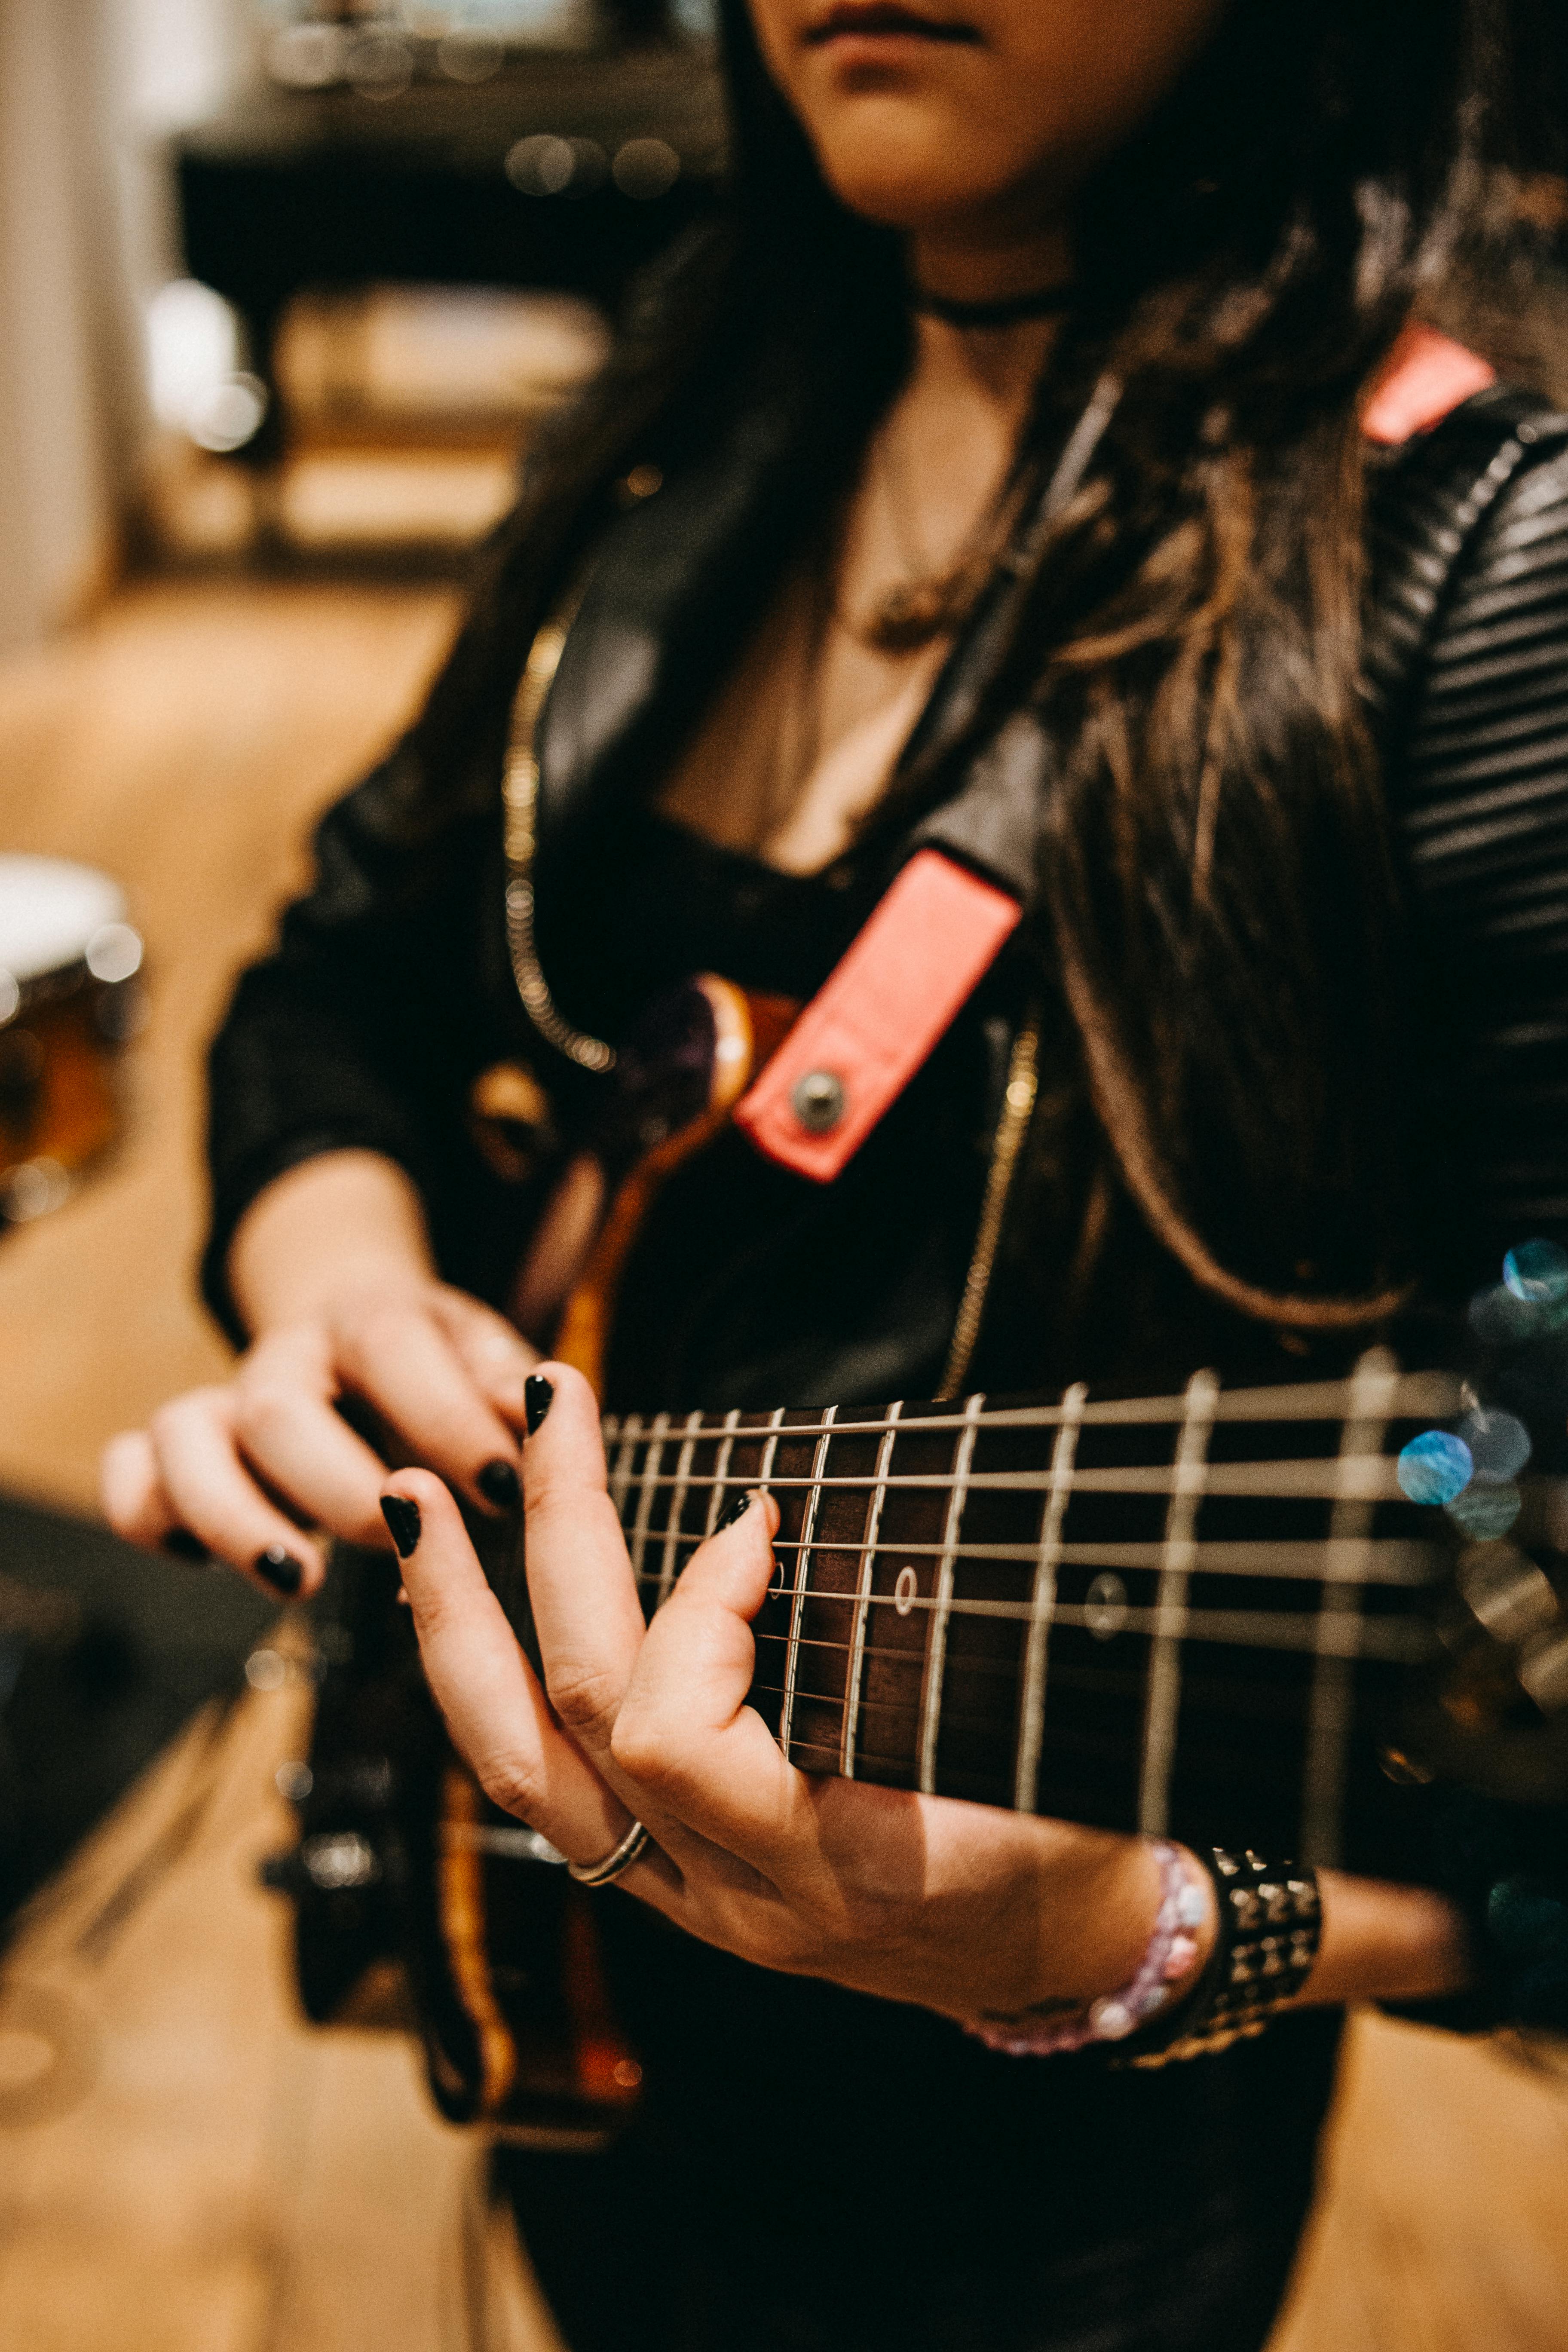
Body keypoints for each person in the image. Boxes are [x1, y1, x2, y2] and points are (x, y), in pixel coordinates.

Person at [103, 3, 1568, 2347]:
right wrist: (339, 1282)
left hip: (1035, 2184)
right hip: (578, 1983)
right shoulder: (709, 396)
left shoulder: (1486, 564)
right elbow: (341, 976)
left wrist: (1133, 1936)